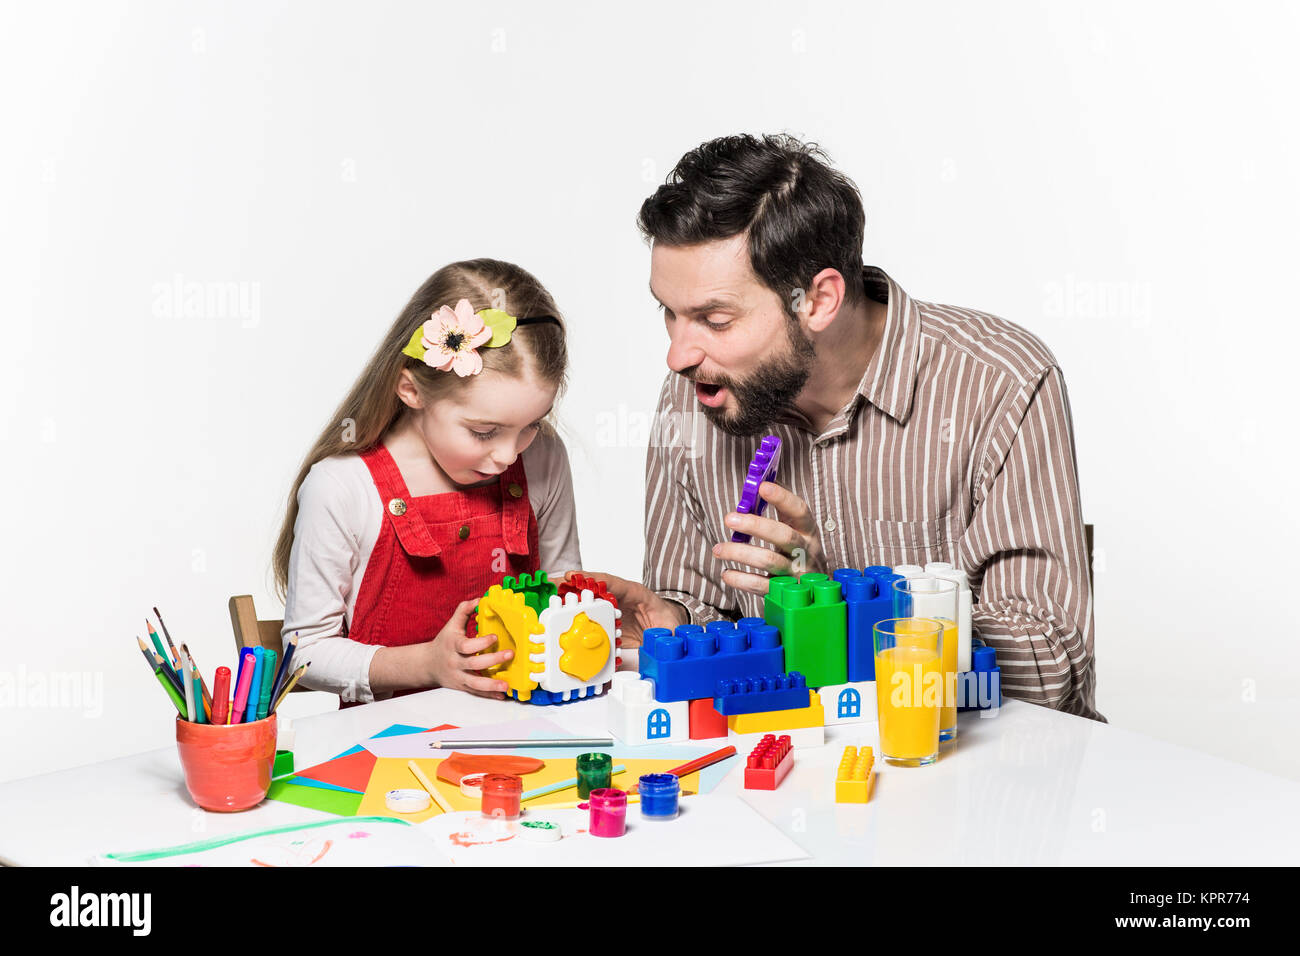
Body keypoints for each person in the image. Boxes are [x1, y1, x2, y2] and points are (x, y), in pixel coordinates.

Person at [591, 134, 1102, 721]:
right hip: (790, 771)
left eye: (714, 319)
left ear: (819, 299)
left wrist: (844, 609)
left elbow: (1050, 663)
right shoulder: (697, 395)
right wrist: (674, 625)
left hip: (977, 782)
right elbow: (709, 613)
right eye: (669, 313)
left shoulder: (1000, 384)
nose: (678, 354)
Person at [273, 258, 581, 704]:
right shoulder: (342, 487)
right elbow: (305, 655)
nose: (508, 455)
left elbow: (559, 590)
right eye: (483, 432)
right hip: (386, 750)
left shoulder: (543, 457)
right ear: (411, 390)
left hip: (519, 731)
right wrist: (428, 665)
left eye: (532, 424)